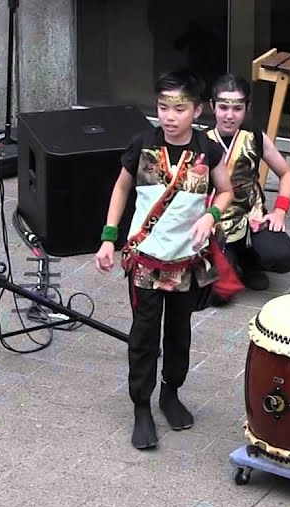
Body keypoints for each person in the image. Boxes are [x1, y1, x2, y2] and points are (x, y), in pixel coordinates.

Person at [94, 70, 234, 450]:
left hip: (185, 262)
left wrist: (211, 216)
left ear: (197, 110)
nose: (170, 117)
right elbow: (121, 188)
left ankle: (171, 393)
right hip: (144, 260)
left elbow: (225, 191)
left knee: (179, 330)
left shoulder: (209, 149)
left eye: (179, 108)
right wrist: (109, 238)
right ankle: (141, 406)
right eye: (163, 108)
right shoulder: (143, 144)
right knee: (143, 334)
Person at [204, 74, 290, 305]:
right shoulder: (200, 141)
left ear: (247, 108)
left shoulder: (255, 137)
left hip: (252, 217)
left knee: (282, 257)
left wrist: (279, 211)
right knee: (218, 297)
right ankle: (235, 260)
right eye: (223, 107)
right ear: (212, 106)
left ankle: (250, 260)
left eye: (237, 108)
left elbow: (287, 173)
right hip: (216, 224)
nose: (229, 115)